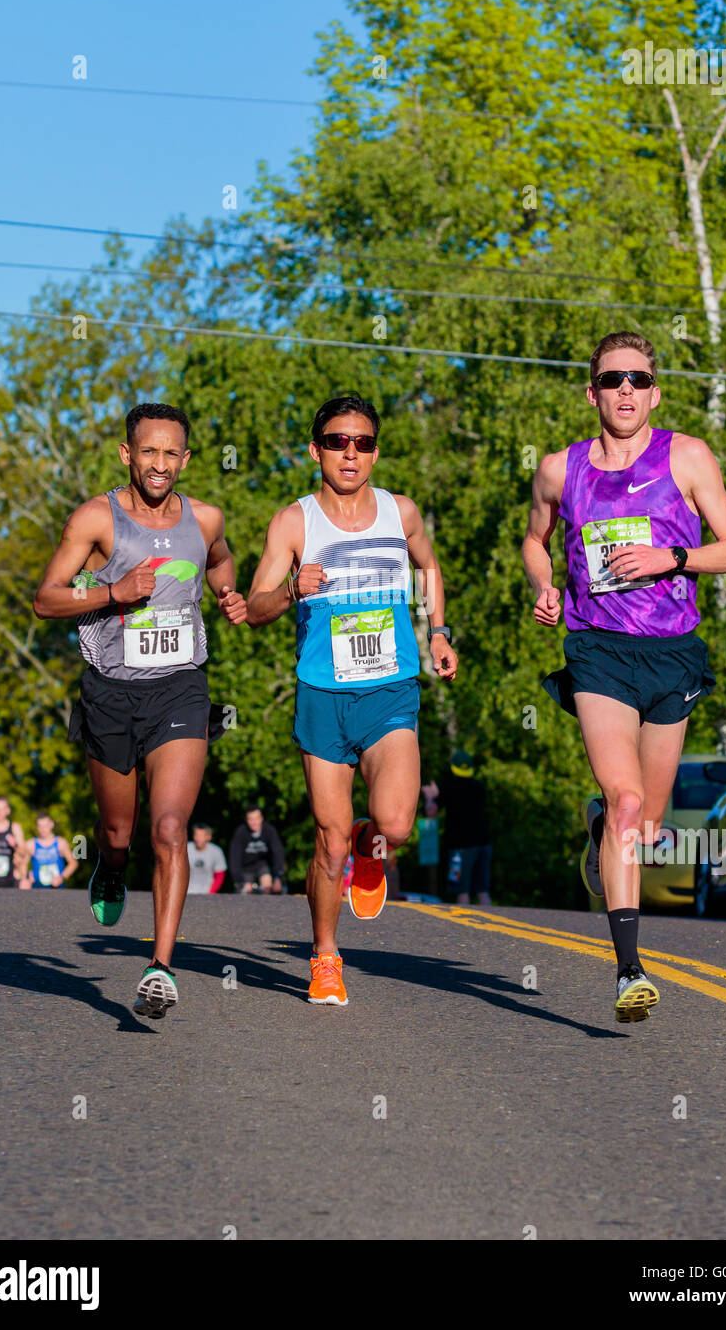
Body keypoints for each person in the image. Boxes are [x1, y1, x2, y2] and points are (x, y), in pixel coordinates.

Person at [523, 331, 726, 1022]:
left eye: (638, 380)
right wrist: (543, 584)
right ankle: (629, 970)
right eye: (613, 379)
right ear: (591, 392)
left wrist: (670, 559)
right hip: (598, 651)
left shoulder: (686, 456)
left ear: (654, 392)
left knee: (645, 823)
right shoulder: (559, 470)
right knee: (624, 801)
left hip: (673, 654)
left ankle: (608, 832)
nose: (626, 391)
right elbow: (535, 539)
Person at [33, 402, 247, 1018]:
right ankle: (111, 863)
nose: (159, 464)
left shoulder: (204, 519)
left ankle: (160, 967)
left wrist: (227, 594)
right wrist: (111, 593)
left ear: (186, 459)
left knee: (170, 828)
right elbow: (46, 599)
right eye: (147, 452)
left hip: (180, 686)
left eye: (171, 453)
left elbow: (222, 561)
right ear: (128, 455)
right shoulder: (96, 519)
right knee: (123, 834)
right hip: (111, 692)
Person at [245, 392, 457, 1004]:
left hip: (389, 689)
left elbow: (429, 568)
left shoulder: (401, 512)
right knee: (327, 839)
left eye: (363, 443)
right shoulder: (294, 522)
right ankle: (325, 958)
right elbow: (253, 611)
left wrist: (437, 631)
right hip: (322, 696)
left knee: (395, 823)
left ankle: (373, 846)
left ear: (375, 452)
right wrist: (291, 590)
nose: (350, 453)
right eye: (337, 441)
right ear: (316, 450)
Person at [423, 750, 492, 906]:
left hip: (460, 847)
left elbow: (431, 812)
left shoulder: (448, 787)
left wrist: (430, 797)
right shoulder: (479, 787)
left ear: (453, 767)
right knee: (483, 890)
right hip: (483, 844)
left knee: (462, 890)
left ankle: (464, 928)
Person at [228, 806, 285, 895]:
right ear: (246, 820)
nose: (254, 822)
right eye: (250, 819)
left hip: (263, 865)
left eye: (256, 819)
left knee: (267, 887)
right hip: (246, 868)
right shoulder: (240, 832)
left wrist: (277, 877)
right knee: (243, 893)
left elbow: (278, 854)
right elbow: (234, 858)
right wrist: (240, 881)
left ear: (261, 818)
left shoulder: (269, 831)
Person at [18, 813, 78, 889]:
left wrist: (61, 877)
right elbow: (23, 864)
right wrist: (24, 879)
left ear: (51, 824)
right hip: (37, 887)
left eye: (46, 826)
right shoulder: (31, 844)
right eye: (40, 826)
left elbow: (73, 863)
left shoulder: (60, 842)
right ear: (36, 827)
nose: (43, 829)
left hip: (57, 887)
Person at [187, 823, 228, 895]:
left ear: (209, 837)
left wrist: (211, 892)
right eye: (196, 835)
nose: (198, 838)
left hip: (207, 893)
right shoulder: (186, 848)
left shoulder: (216, 851)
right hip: (187, 892)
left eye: (201, 836)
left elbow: (220, 875)